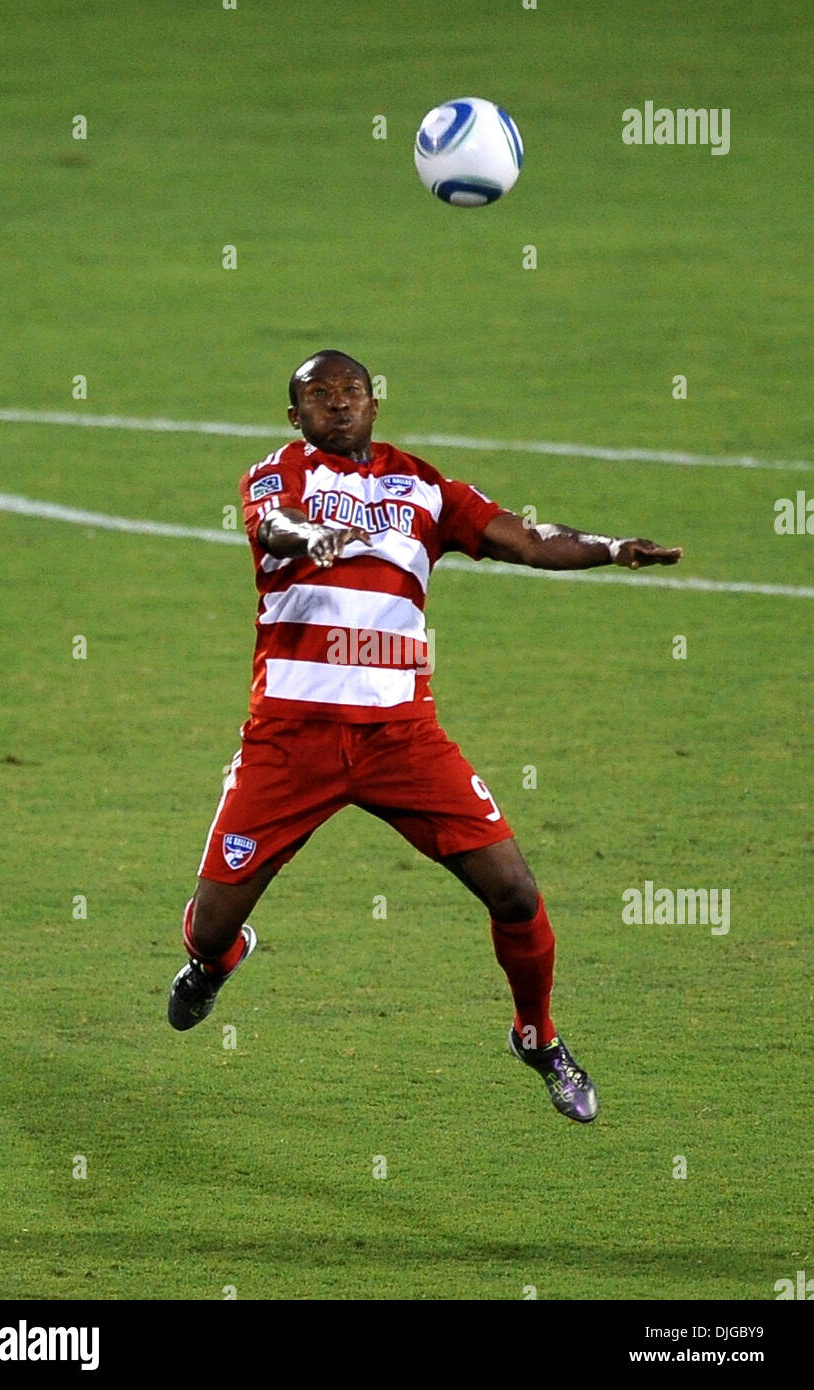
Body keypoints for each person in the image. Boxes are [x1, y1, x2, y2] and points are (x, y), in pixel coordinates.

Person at [167, 350, 683, 1123]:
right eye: (319, 394)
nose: (339, 404)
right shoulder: (275, 474)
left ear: (376, 404)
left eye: (353, 392)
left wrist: (612, 549)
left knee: (514, 890)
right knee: (208, 928)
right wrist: (311, 540)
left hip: (402, 739)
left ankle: (536, 1036)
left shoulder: (424, 488)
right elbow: (270, 527)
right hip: (291, 741)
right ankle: (219, 960)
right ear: (294, 415)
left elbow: (528, 539)